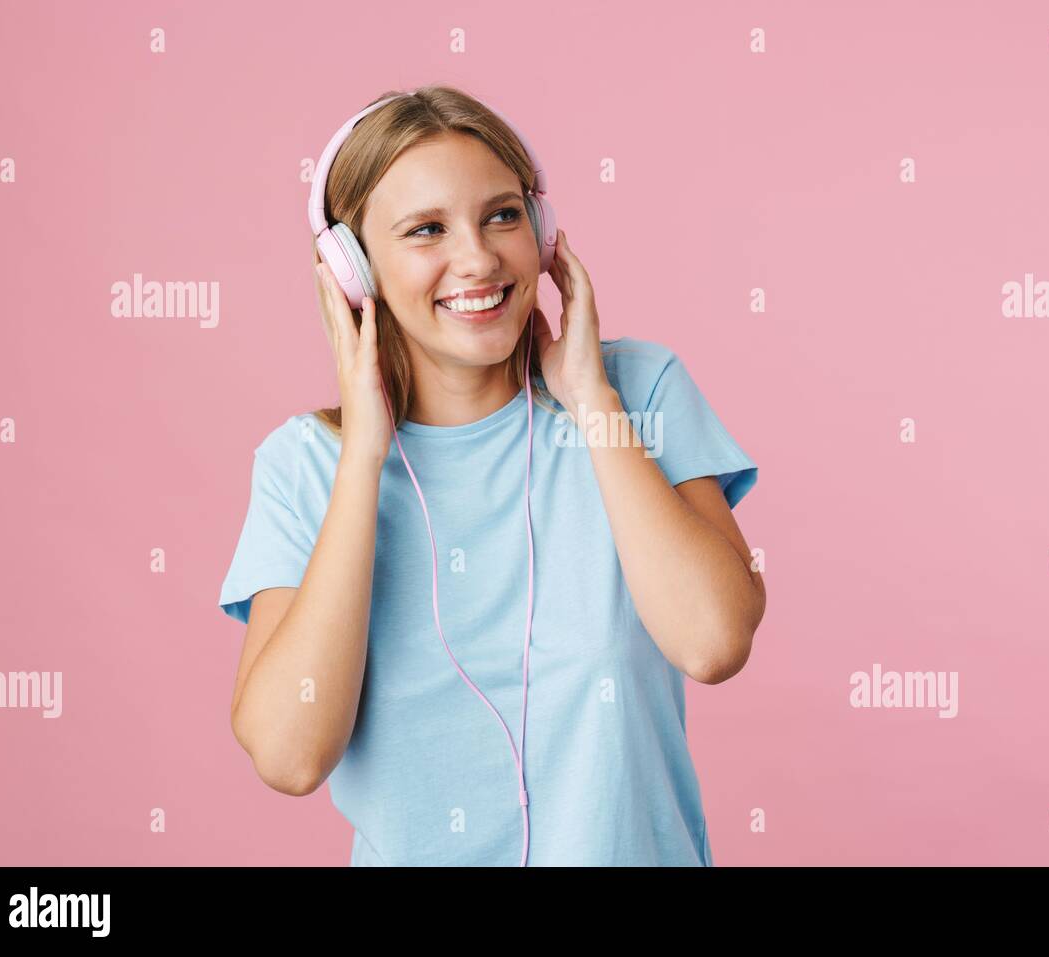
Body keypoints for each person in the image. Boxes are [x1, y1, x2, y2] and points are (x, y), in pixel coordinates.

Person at [218, 85, 766, 866]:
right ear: (353, 270)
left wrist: (591, 399)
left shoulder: (637, 394)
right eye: (427, 229)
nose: (478, 258)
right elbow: (289, 755)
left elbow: (713, 643)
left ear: (541, 231)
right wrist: (364, 456)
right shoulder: (303, 466)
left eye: (503, 215)